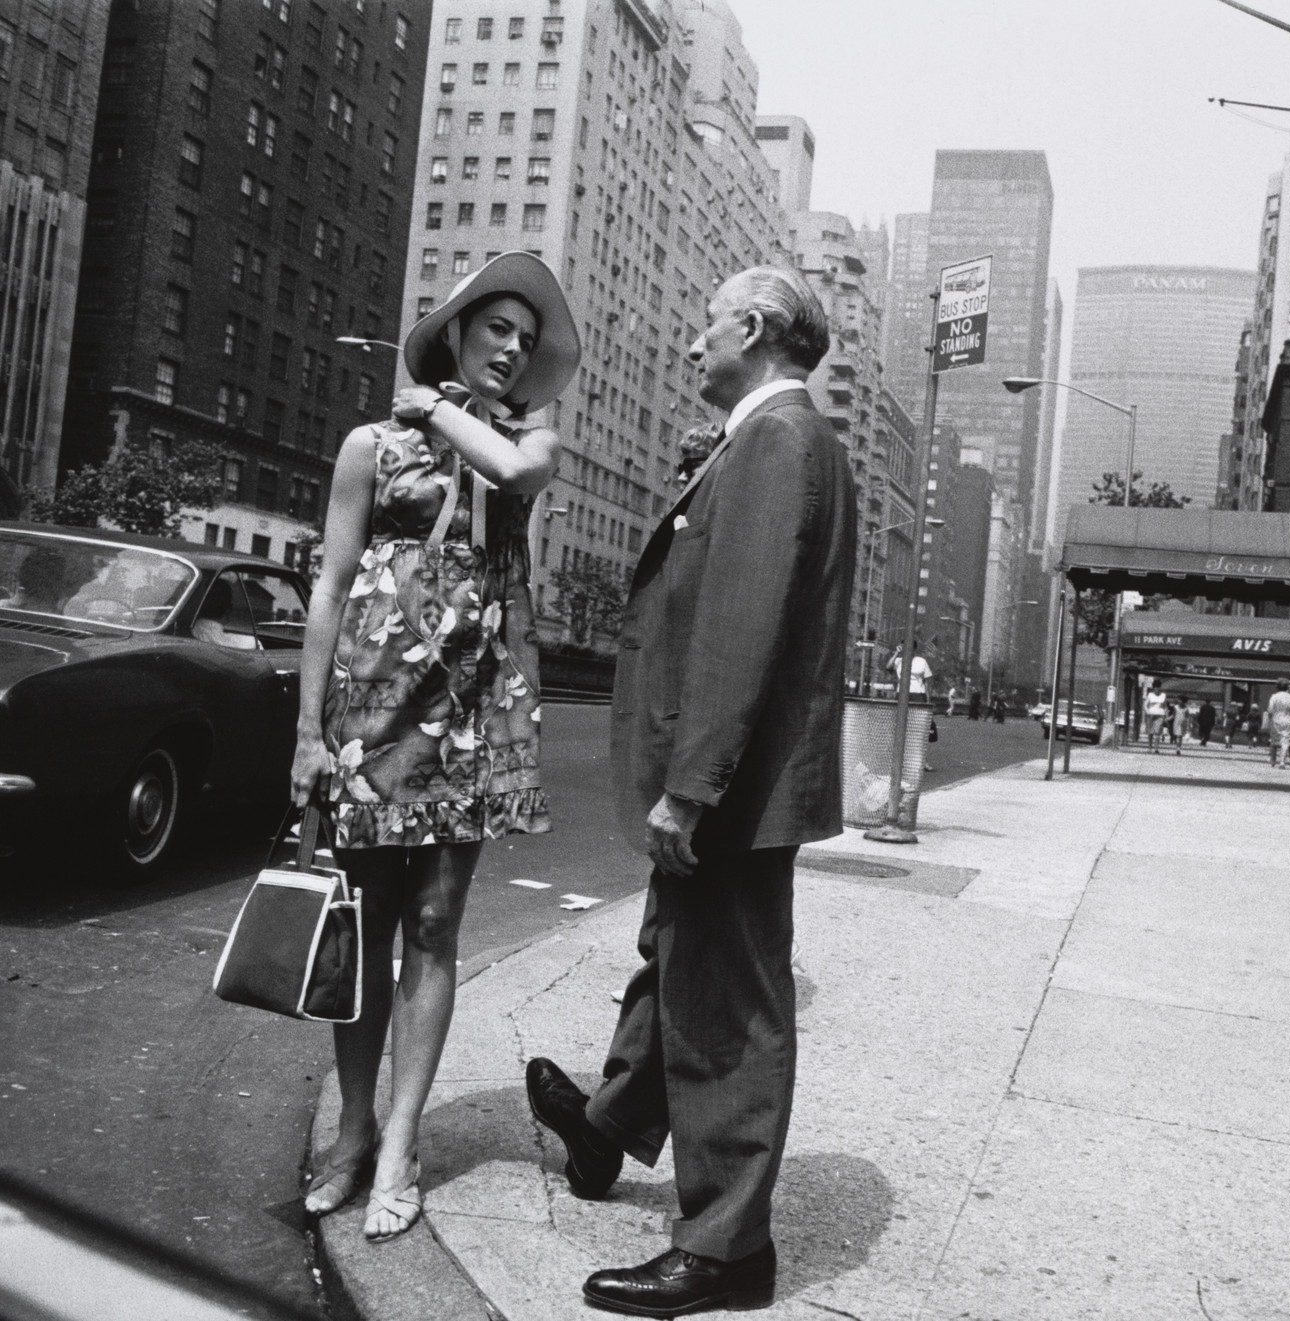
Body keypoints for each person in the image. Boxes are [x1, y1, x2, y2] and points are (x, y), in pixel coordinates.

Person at [524, 266, 854, 1316]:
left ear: (751, 329)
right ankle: (611, 1126)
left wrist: (692, 788)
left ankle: (723, 1248)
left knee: (727, 1006)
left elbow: (739, 631)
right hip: (735, 778)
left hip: (736, 784)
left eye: (704, 322)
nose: (688, 342)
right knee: (677, 954)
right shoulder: (768, 441)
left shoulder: (774, 442)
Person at [288, 253, 574, 1242]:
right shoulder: (370, 447)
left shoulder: (520, 445)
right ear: (455, 330)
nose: (510, 350)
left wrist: (433, 405)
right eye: (495, 329)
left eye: (525, 342)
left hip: (467, 713)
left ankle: (402, 1144)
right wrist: (305, 732)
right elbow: (326, 586)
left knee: (435, 926)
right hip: (370, 710)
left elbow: (515, 470)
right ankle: (355, 1130)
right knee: (360, 931)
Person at [1266, 684, 1290, 769]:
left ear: (1277, 687)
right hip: (1288, 720)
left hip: (1276, 719)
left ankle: (1273, 760)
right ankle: (1282, 762)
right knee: (1285, 741)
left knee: (1274, 740)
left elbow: (1270, 709)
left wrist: (1270, 718)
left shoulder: (1274, 697)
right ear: (1287, 688)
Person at [1143, 686, 1168, 752]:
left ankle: (1156, 748)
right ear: (1154, 689)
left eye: (1158, 688)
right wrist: (1147, 711)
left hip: (1160, 715)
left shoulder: (1163, 695)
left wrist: (1165, 713)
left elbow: (1165, 706)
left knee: (1157, 732)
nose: (1157, 690)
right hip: (1151, 714)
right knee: (1150, 732)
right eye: (1156, 688)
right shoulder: (1150, 695)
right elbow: (1145, 704)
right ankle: (1150, 747)